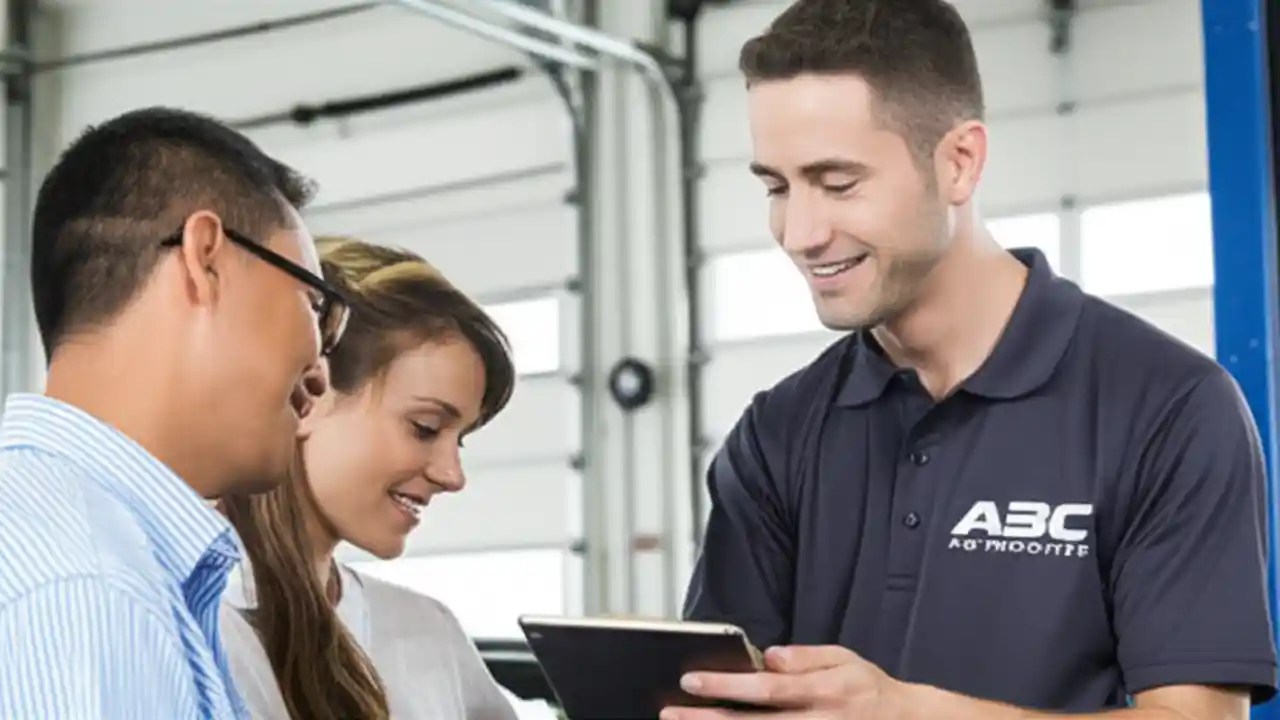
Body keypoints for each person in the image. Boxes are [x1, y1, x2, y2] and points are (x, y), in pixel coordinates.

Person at [668, 1, 1277, 718]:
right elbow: (725, 697)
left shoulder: (1167, 407)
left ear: (959, 162)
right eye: (776, 186)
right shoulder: (776, 435)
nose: (800, 232)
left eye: (837, 183)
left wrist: (912, 713)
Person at [0, 107, 341, 718]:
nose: (319, 369)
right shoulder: (90, 589)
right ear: (204, 256)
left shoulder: (66, 540)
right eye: (315, 304)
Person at [218, 236, 542, 720]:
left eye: (460, 439)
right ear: (310, 390)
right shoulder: (185, 625)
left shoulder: (429, 636)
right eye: (425, 428)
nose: (452, 475)